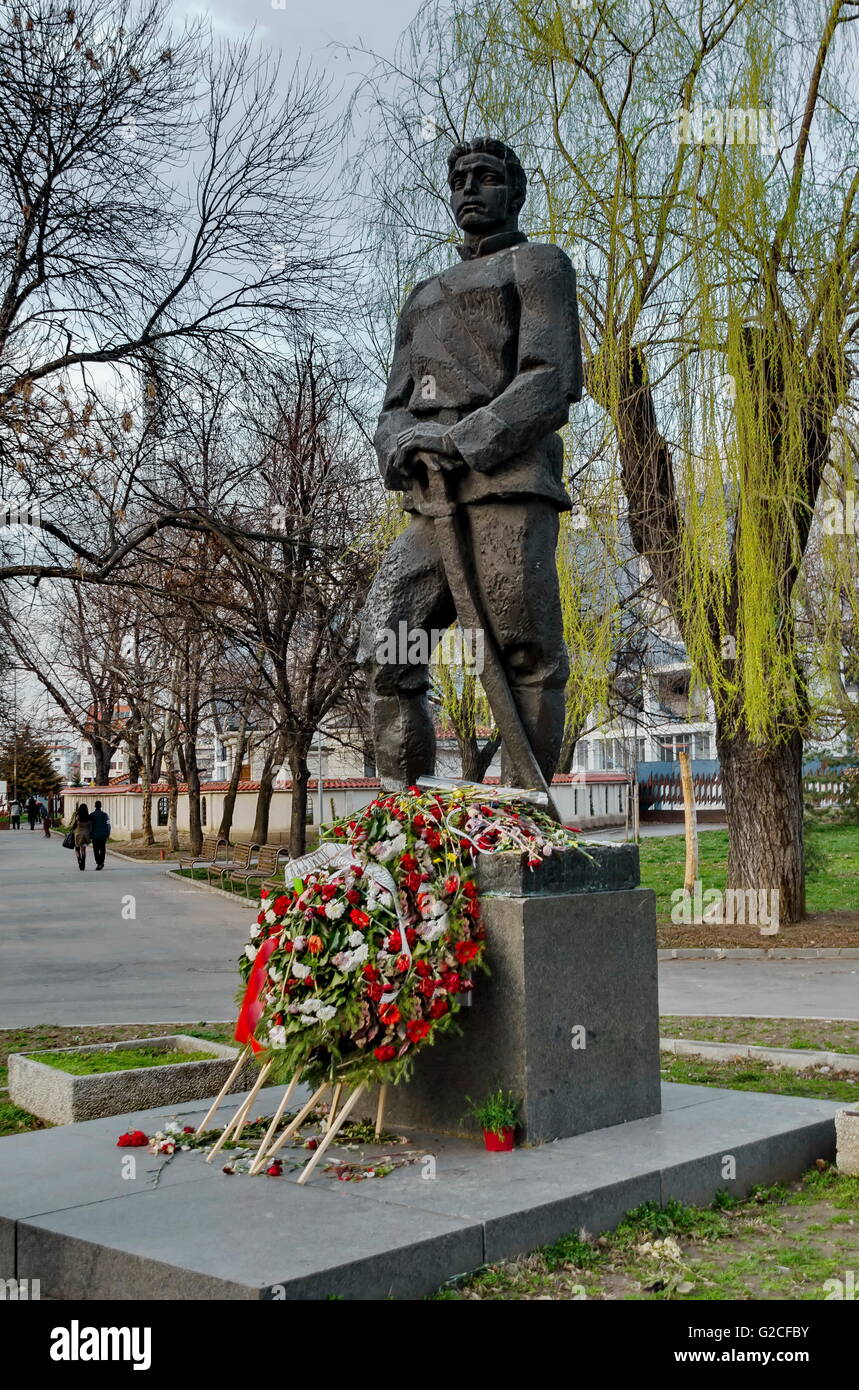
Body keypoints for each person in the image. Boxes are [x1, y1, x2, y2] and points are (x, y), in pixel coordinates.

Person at [359, 137, 582, 789]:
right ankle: (404, 818)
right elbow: (394, 402)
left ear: (513, 192)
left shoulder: (538, 265)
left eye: (485, 178)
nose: (468, 189)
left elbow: (549, 378)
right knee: (386, 643)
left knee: (522, 649)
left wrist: (463, 441)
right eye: (458, 179)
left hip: (507, 484)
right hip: (431, 500)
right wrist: (399, 445)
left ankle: (522, 820)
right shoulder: (423, 294)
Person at [89, 799, 111, 870]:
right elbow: (108, 825)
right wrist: (108, 833)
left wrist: (90, 834)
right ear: (101, 806)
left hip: (94, 835)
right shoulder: (105, 815)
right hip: (103, 835)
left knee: (95, 850)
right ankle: (101, 862)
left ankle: (98, 862)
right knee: (102, 849)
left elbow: (90, 826)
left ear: (95, 806)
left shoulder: (91, 815)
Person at [71, 802, 91, 871]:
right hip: (86, 835)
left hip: (78, 834)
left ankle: (79, 859)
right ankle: (83, 862)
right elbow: (90, 826)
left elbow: (73, 826)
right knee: (83, 849)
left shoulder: (77, 816)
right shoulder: (88, 817)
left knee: (77, 848)